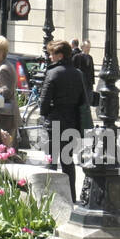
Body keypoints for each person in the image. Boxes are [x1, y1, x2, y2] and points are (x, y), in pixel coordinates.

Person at [38, 39, 85, 198]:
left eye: (52, 54)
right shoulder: (78, 74)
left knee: (51, 160)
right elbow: (83, 100)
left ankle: (48, 194)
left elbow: (44, 102)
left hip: (54, 121)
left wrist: (45, 113)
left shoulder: (52, 73)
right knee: (68, 161)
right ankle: (70, 194)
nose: (50, 57)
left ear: (60, 55)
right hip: (71, 121)